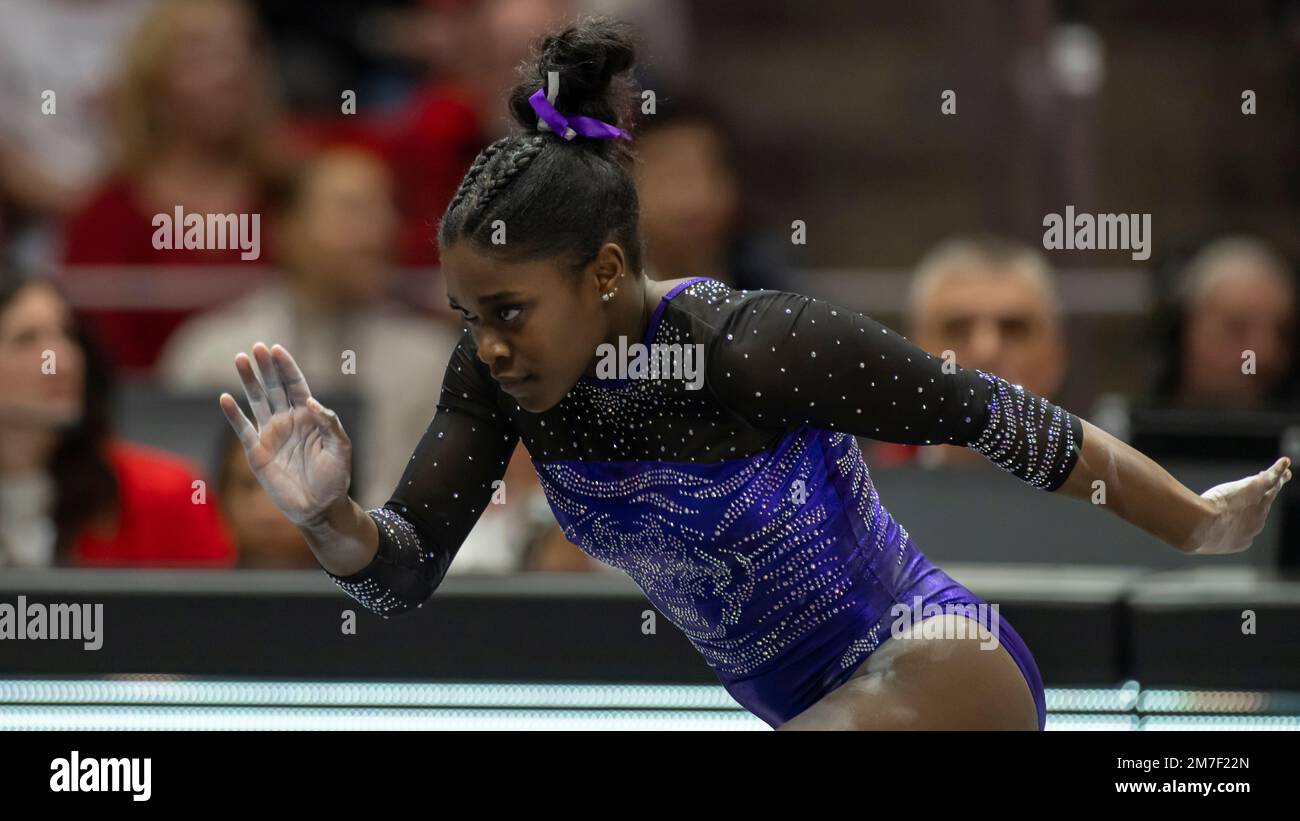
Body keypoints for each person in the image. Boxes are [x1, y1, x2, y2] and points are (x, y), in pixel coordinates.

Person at [218, 17, 1292, 730]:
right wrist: (329, 519)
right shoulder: (501, 374)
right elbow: (397, 577)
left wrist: (1190, 523)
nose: (487, 342)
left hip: (931, 664)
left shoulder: (757, 345)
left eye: (507, 311)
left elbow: (1002, 417)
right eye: (466, 315)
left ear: (601, 271)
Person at [0, 269, 234, 568]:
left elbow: (219, 613)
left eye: (67, 335)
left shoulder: (170, 495)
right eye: (25, 340)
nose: (61, 360)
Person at [869, 235, 1068, 469]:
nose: (986, 350)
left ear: (1056, 356)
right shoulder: (859, 493)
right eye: (957, 329)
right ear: (910, 355)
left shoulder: (1108, 492)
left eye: (1013, 329)